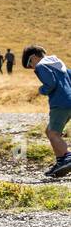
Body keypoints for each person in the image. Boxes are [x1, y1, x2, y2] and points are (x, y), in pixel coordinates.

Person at [23, 46, 71, 178]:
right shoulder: (58, 63)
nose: (32, 67)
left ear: (33, 57)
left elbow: (51, 83)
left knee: (53, 133)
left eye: (29, 64)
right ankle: (61, 162)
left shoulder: (41, 66)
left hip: (59, 104)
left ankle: (67, 157)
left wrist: (41, 90)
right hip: (69, 102)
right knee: (49, 131)